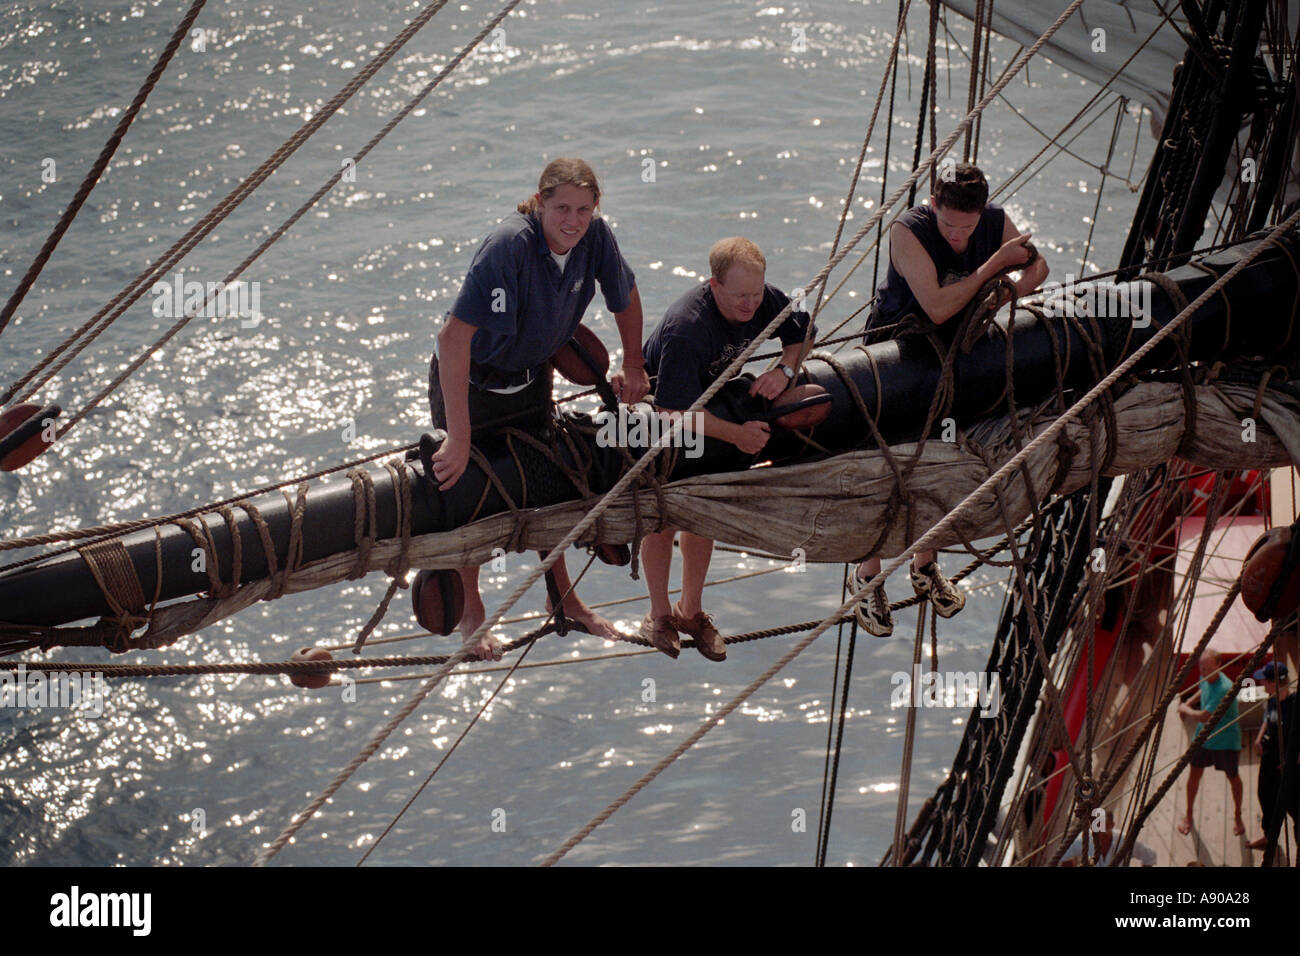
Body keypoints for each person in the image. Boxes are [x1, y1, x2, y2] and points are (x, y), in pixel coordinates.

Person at [429, 157, 650, 660]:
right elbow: (453, 337)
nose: (572, 220)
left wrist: (634, 364)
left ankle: (565, 599)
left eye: (583, 209)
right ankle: (472, 614)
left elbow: (626, 295)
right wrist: (459, 437)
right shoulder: (508, 247)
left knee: (545, 486)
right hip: (472, 383)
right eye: (561, 208)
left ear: (596, 208)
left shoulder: (595, 238)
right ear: (540, 202)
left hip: (532, 378)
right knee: (474, 495)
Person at [852, 162, 1050, 637]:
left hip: (958, 351)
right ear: (934, 206)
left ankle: (924, 565)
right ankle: (866, 579)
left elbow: (1039, 265)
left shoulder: (995, 222)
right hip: (898, 353)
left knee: (942, 460)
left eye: (968, 227)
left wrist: (1008, 294)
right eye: (949, 225)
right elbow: (937, 305)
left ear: (982, 213)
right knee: (887, 462)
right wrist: (992, 268)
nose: (958, 236)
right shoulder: (909, 231)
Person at [638, 237, 813, 661]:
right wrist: (736, 435)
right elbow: (672, 411)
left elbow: (804, 332)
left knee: (705, 508)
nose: (751, 305)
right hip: (660, 412)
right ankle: (659, 615)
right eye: (740, 297)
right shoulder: (687, 328)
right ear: (713, 285)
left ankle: (691, 611)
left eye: (757, 294)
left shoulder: (760, 295)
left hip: (711, 402)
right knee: (663, 514)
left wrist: (785, 369)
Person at [1176, 650, 1245, 836]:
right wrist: (1189, 701)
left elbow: (1205, 716)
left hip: (1225, 741)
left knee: (1233, 778)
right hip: (1204, 738)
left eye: (1208, 668)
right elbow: (1202, 688)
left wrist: (1184, 708)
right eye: (1202, 667)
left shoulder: (1224, 688)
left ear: (1219, 666)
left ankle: (1238, 815)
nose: (1204, 672)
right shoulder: (1206, 676)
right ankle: (1189, 815)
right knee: (1194, 775)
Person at [1247, 661, 1299, 851]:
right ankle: (1269, 836)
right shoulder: (1272, 699)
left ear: (1275, 683)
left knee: (1295, 809)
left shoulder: (1294, 707)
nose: (1261, 685)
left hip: (1290, 767)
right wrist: (1258, 739)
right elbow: (1267, 720)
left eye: (1264, 681)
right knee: (1265, 796)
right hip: (1270, 759)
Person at [1058, 808, 1156, 866]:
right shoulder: (1083, 839)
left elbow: (1150, 856)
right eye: (1097, 827)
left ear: (1113, 825)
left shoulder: (1124, 840)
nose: (1101, 831)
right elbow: (1063, 854)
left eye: (1105, 826)